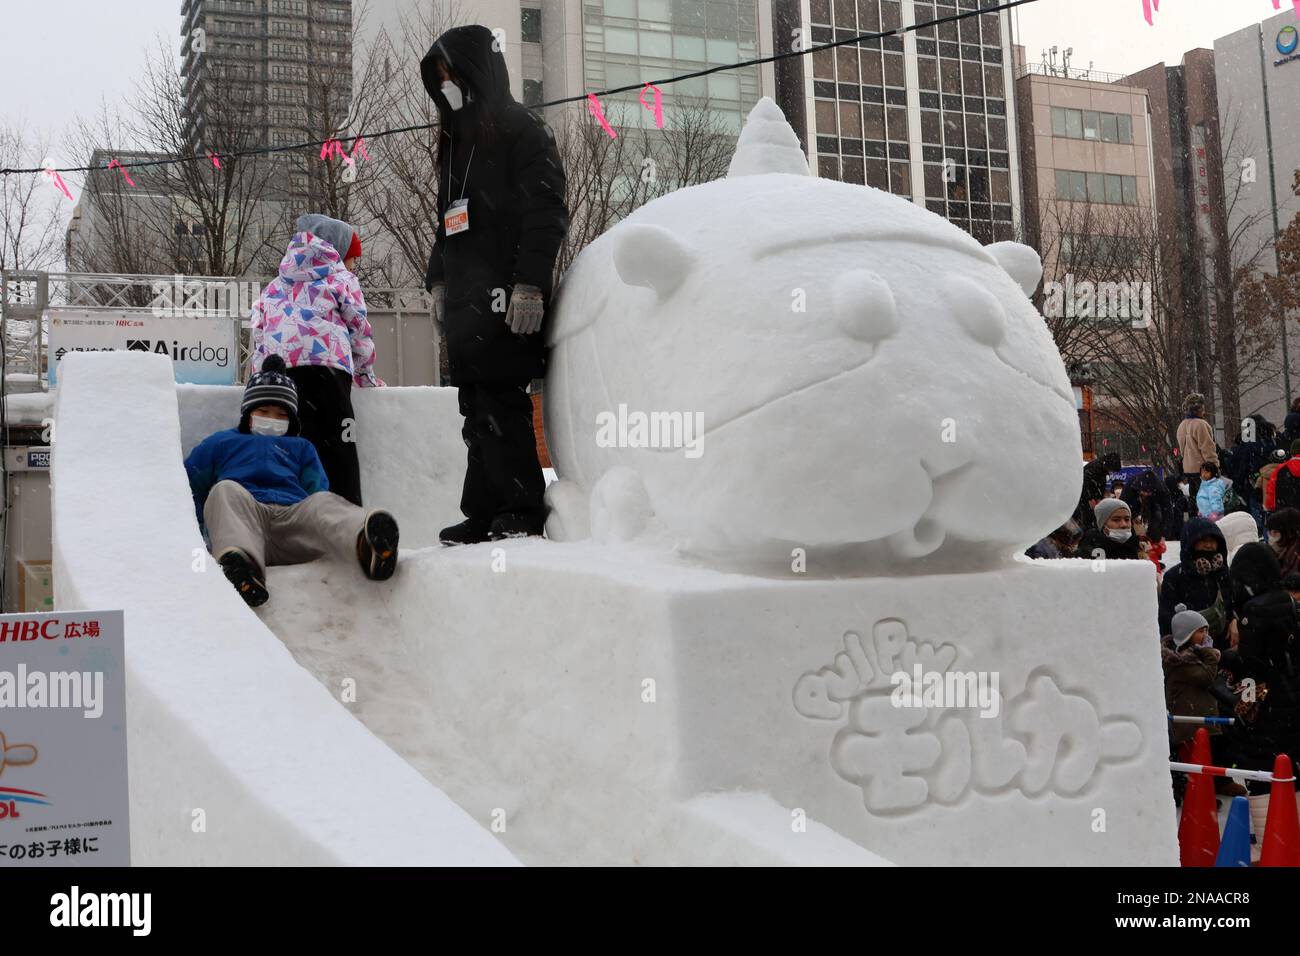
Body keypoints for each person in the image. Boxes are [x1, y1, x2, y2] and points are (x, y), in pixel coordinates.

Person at [421, 25, 569, 543]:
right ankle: (483, 511)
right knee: (475, 408)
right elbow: (447, 224)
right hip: (466, 304)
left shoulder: (520, 129)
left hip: (507, 298)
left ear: (475, 72)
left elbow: (546, 209)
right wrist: (439, 281)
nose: (446, 89)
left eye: (451, 77)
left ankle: (521, 509)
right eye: (439, 81)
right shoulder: (455, 144)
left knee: (502, 402)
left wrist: (530, 284)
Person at [184, 356, 400, 607]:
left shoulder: (301, 448)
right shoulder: (222, 443)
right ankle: (242, 569)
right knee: (224, 490)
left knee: (323, 502)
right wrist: (200, 527)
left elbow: (317, 491)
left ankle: (367, 543)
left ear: (292, 419)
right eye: (263, 411)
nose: (272, 418)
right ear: (248, 413)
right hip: (247, 520)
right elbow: (189, 483)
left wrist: (314, 511)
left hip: (292, 524)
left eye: (280, 414)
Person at [249, 213, 384, 507]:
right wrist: (365, 374)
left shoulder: (273, 286)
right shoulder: (342, 279)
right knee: (339, 445)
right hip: (329, 370)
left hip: (285, 375)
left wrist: (260, 378)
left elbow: (260, 333)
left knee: (297, 444)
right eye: (352, 258)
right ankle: (347, 519)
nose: (353, 265)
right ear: (337, 251)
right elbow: (359, 328)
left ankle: (294, 515)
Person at [1227, 542, 1300, 813]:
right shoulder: (1289, 601)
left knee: (1260, 767)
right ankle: (1290, 833)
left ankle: (1265, 839)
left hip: (1268, 705)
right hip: (1291, 697)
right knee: (1290, 765)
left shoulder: (1253, 611)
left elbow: (1251, 667)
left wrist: (1245, 709)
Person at [1158, 517, 1235, 647]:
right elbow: (1166, 621)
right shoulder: (1174, 577)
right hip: (1189, 651)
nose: (1209, 545)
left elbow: (1232, 604)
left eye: (1213, 541)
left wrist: (1234, 621)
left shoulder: (1222, 573)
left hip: (1222, 646)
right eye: (1203, 540)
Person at [1177, 393, 1217, 512]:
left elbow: (1182, 450)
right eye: (1202, 408)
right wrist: (1215, 466)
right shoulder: (1201, 425)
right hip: (1203, 470)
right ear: (1198, 409)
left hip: (1188, 470)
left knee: (1193, 501)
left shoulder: (1182, 426)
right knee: (1206, 503)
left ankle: (1193, 523)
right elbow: (1207, 449)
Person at [1078, 498, 1142, 561]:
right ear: (1103, 524)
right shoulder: (1090, 552)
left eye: (1127, 519)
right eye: (1116, 520)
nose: (1124, 524)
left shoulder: (1134, 547)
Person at [1074, 452, 1121, 532]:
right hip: (1084, 497)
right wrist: (1090, 498)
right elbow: (1085, 484)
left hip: (1093, 496)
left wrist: (1100, 498)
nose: (1111, 472)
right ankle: (1088, 534)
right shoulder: (1093, 468)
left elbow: (1101, 485)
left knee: (1095, 516)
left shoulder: (1103, 469)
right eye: (1112, 470)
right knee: (1087, 517)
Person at [1265, 440, 1300, 515]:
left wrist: (1270, 507)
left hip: (1287, 513)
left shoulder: (1280, 469)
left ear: (1292, 452)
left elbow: (1271, 490)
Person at [1266, 508, 1300, 578]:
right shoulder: (1282, 555)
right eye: (1269, 533)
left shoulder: (1295, 557)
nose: (1270, 537)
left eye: (1275, 532)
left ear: (1289, 534)